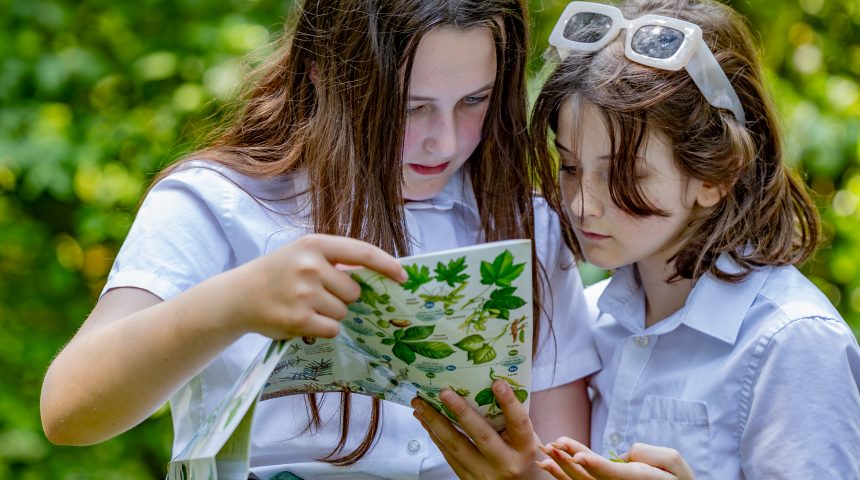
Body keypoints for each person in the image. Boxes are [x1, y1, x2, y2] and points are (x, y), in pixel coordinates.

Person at [39, 1, 601, 479]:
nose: (444, 140)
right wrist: (233, 303)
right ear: (322, 73)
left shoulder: (524, 221)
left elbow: (563, 451)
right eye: (410, 107)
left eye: (474, 101)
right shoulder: (222, 202)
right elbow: (69, 411)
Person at [518, 0, 860, 478]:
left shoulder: (793, 343)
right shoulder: (592, 319)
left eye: (621, 174)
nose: (581, 205)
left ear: (715, 173)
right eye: (571, 167)